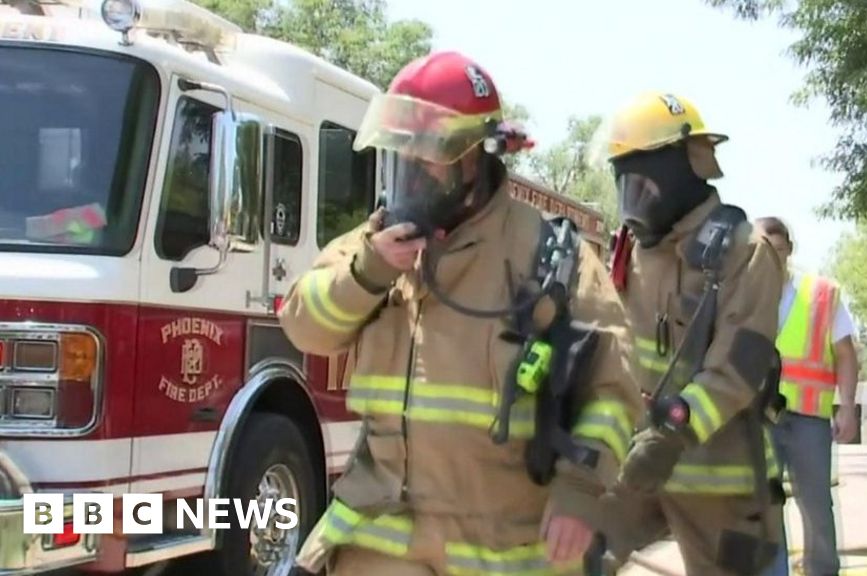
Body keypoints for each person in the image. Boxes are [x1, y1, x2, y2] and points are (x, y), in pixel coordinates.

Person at [277, 50, 643, 576]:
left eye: (430, 149)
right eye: (403, 146)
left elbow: (614, 391)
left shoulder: (549, 255)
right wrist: (368, 272)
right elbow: (303, 327)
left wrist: (580, 490)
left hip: (503, 550)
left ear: (478, 154)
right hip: (378, 541)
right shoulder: (376, 242)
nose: (411, 165)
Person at [587, 91, 787, 576]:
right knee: (572, 559)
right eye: (625, 184)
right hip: (636, 469)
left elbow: (738, 367)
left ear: (683, 168)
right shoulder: (630, 249)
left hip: (723, 484)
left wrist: (670, 435)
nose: (633, 200)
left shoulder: (746, 251)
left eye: (643, 183)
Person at [754, 217, 860, 576]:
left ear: (790, 250)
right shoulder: (742, 294)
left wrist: (846, 407)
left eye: (778, 251)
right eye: (763, 251)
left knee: (815, 506)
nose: (772, 259)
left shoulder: (821, 294)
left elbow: (845, 353)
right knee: (765, 507)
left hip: (808, 421)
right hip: (759, 420)